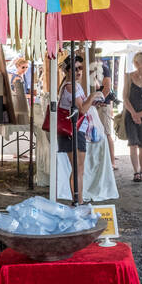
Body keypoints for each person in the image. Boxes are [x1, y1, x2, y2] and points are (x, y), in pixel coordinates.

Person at [57, 54, 102, 201]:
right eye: (75, 68)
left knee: (79, 168)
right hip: (72, 130)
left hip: (77, 129)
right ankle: (78, 201)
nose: (78, 71)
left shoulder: (75, 86)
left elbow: (82, 107)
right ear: (67, 71)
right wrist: (93, 96)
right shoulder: (70, 87)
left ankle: (78, 200)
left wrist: (93, 101)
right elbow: (82, 110)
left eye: (80, 68)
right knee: (78, 168)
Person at [122, 51, 142, 181]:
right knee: (133, 143)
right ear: (136, 63)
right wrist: (134, 114)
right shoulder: (129, 77)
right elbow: (124, 97)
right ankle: (136, 172)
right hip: (130, 114)